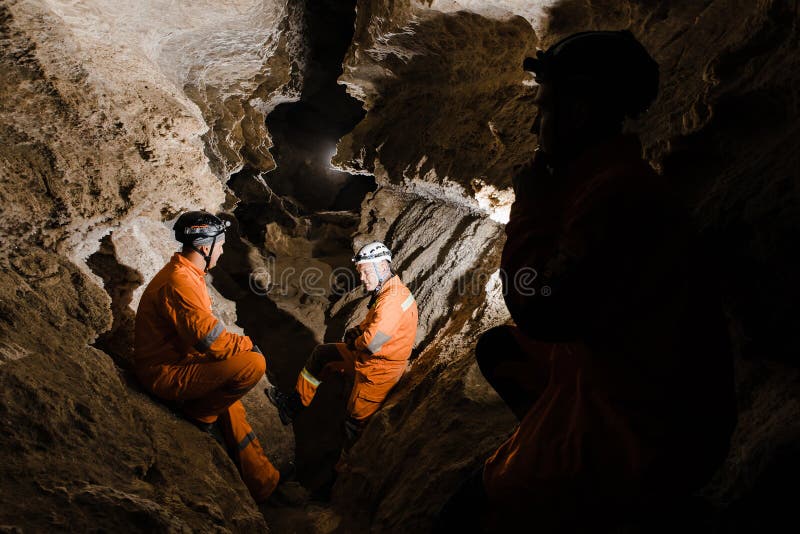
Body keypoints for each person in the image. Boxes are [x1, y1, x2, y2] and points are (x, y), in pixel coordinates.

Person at [436, 31, 737, 532]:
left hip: (641, 431)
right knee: (500, 351)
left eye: (545, 109)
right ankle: (559, 456)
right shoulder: (605, 183)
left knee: (465, 515)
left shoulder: (616, 196)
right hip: (625, 382)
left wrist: (529, 207)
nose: (537, 124)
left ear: (576, 113)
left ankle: (594, 497)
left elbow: (537, 307)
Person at [133, 210, 298, 505]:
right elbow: (213, 341)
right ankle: (198, 416)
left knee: (233, 408)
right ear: (205, 247)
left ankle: (265, 483)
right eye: (220, 245)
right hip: (164, 373)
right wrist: (248, 344)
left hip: (179, 361)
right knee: (253, 364)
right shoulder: (180, 282)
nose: (222, 250)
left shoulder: (188, 273)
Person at [266, 241, 418, 449]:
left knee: (353, 425)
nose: (362, 278)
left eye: (365, 272)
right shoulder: (391, 291)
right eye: (360, 273)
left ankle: (344, 469)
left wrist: (355, 341)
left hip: (379, 371)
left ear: (383, 266)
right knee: (322, 355)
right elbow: (376, 326)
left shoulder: (391, 302)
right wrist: (358, 330)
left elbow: (373, 343)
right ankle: (293, 406)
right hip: (368, 356)